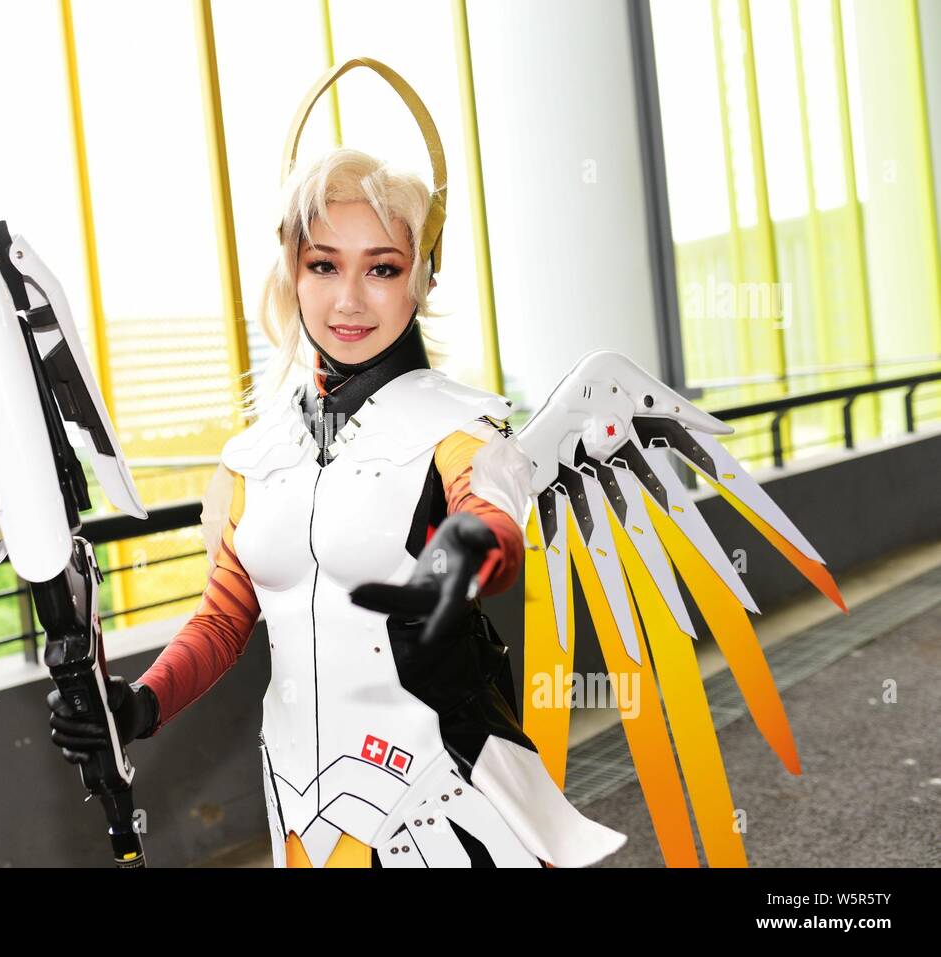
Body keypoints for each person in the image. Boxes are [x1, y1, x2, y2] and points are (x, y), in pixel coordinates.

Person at [50, 60, 627, 868]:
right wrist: (139, 704)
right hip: (302, 806)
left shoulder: (459, 427)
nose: (349, 300)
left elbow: (491, 522)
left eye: (382, 267)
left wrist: (467, 553)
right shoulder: (253, 457)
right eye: (324, 264)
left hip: (439, 796)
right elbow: (224, 620)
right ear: (293, 270)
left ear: (423, 277)